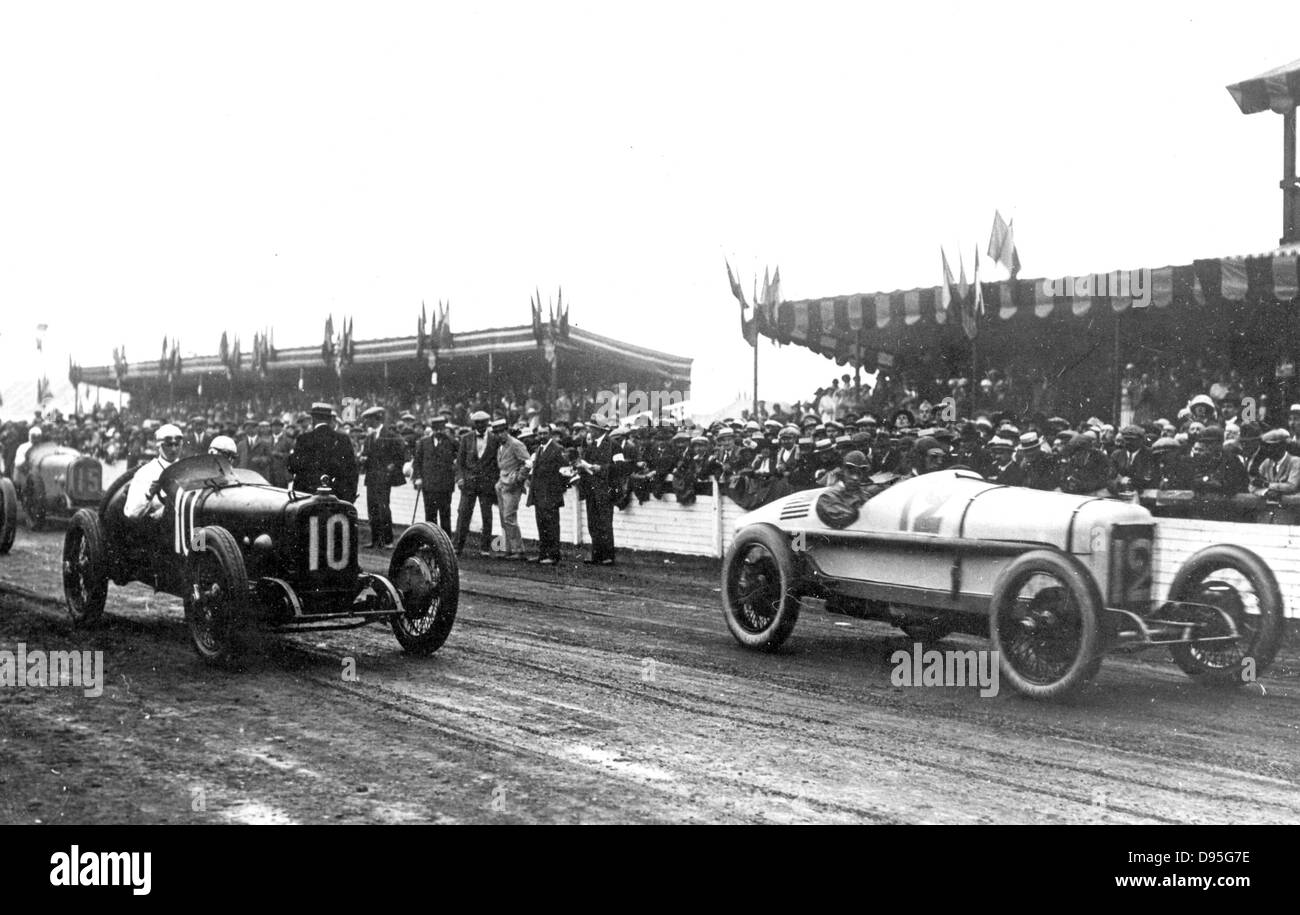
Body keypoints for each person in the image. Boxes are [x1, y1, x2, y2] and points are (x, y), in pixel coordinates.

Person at [286, 402, 359, 503]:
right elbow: (352, 471)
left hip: (307, 496)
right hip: (336, 497)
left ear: (313, 419)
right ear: (329, 419)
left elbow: (292, 467)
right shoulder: (343, 439)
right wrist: (349, 497)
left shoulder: (304, 439)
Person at [359, 406, 406, 549]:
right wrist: (363, 459)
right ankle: (375, 539)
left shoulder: (390, 435)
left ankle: (387, 540)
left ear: (375, 418)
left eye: (368, 419)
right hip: (372, 477)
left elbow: (400, 455)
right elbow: (367, 454)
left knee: (383, 508)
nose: (367, 422)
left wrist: (392, 466)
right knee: (372, 508)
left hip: (384, 478)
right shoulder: (369, 437)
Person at [454, 410, 498, 557]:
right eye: (477, 423)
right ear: (474, 424)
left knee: (487, 516)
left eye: (483, 423)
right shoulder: (465, 438)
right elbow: (459, 462)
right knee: (464, 514)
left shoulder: (494, 439)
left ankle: (485, 548)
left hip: (486, 484)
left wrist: (493, 480)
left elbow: (496, 463)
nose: (480, 426)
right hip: (469, 484)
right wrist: (460, 478)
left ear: (487, 423)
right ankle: (457, 546)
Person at [577, 415, 616, 565]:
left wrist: (602, 468)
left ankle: (608, 555)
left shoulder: (613, 445)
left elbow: (620, 467)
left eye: (591, 428)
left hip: (605, 489)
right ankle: (597, 553)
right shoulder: (591, 446)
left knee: (605, 522)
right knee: (593, 522)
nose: (589, 430)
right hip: (591, 489)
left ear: (598, 430)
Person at [124, 424, 183, 523]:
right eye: (169, 445)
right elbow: (131, 513)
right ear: (159, 446)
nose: (174, 449)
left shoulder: (187, 468)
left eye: (177, 445)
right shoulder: (146, 473)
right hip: (157, 529)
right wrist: (149, 494)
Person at [528, 423, 568, 564]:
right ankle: (543, 554)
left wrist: (557, 490)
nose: (542, 436)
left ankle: (553, 555)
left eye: (545, 433)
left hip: (550, 494)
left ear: (550, 433)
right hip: (539, 494)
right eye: (540, 434)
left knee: (551, 526)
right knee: (542, 525)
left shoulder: (557, 449)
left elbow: (565, 471)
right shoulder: (539, 449)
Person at [492, 418, 530, 560]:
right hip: (502, 484)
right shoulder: (501, 446)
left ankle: (518, 550)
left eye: (501, 431)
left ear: (506, 431)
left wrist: (518, 478)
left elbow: (528, 463)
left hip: (512, 486)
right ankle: (509, 549)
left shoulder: (515, 444)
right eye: (496, 432)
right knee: (504, 518)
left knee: (509, 517)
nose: (499, 435)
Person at [412, 415, 456, 535]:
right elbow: (417, 462)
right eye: (436, 429)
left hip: (445, 486)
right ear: (432, 429)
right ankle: (431, 541)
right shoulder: (423, 442)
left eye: (441, 429)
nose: (439, 431)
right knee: (430, 515)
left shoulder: (452, 442)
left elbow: (459, 461)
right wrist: (418, 478)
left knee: (445, 515)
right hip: (428, 485)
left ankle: (446, 542)